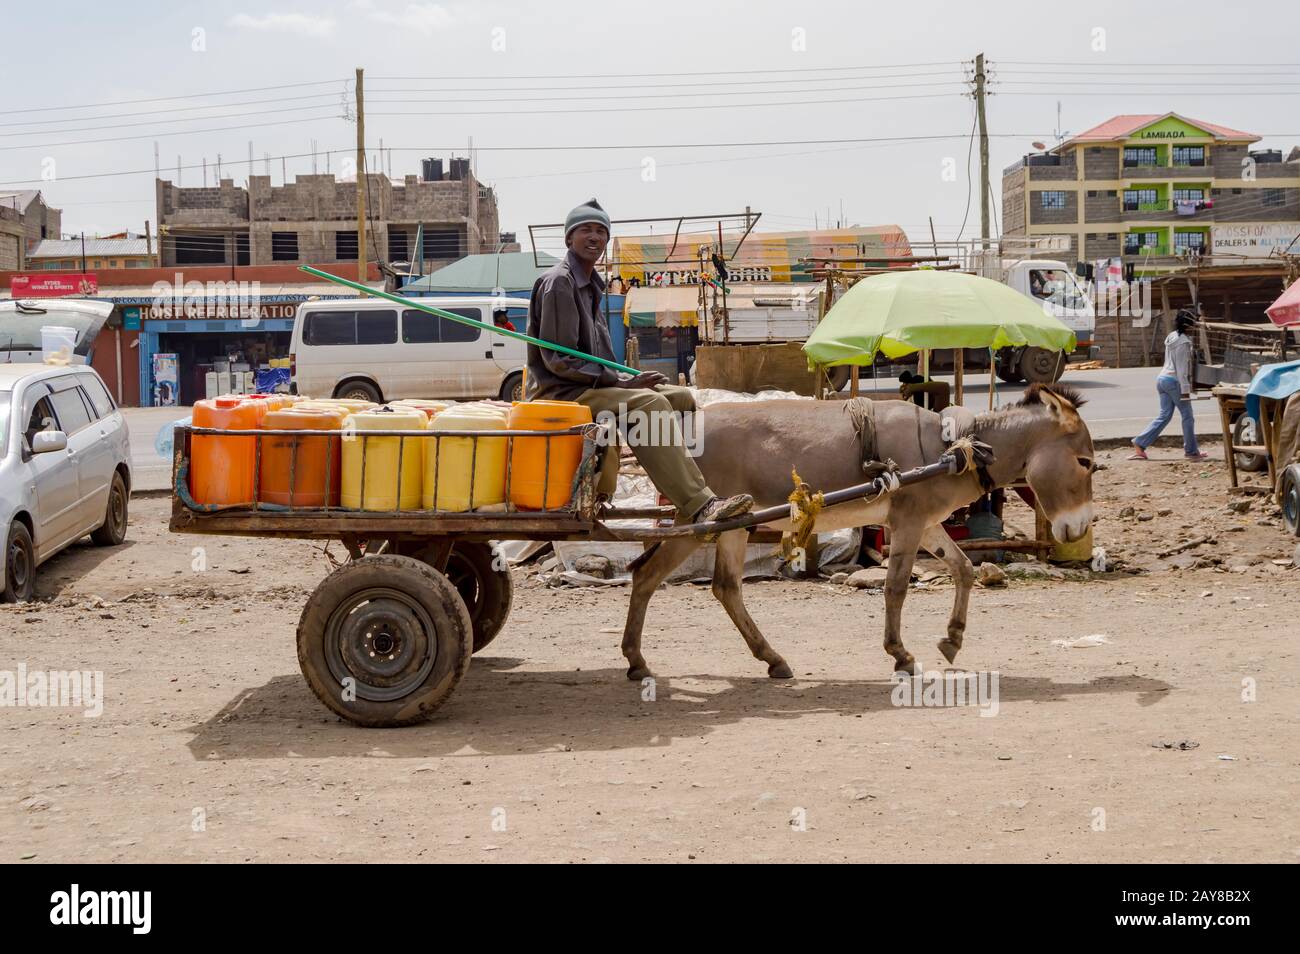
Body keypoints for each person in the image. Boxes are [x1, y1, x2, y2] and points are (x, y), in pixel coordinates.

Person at [526, 198, 753, 525]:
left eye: (601, 232)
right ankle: (700, 504)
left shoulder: (591, 287)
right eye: (585, 230)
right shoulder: (560, 282)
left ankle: (680, 496)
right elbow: (560, 361)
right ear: (568, 238)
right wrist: (620, 383)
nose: (595, 237)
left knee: (681, 397)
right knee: (649, 405)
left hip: (589, 386)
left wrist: (622, 379)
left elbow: (597, 358)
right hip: (561, 392)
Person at [1129, 310, 1208, 461]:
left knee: (1165, 415)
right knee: (1188, 416)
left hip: (1162, 379)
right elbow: (1181, 370)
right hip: (1173, 381)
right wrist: (1185, 389)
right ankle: (1191, 451)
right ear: (1189, 325)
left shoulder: (1171, 336)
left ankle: (1140, 443)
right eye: (1195, 323)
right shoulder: (1183, 342)